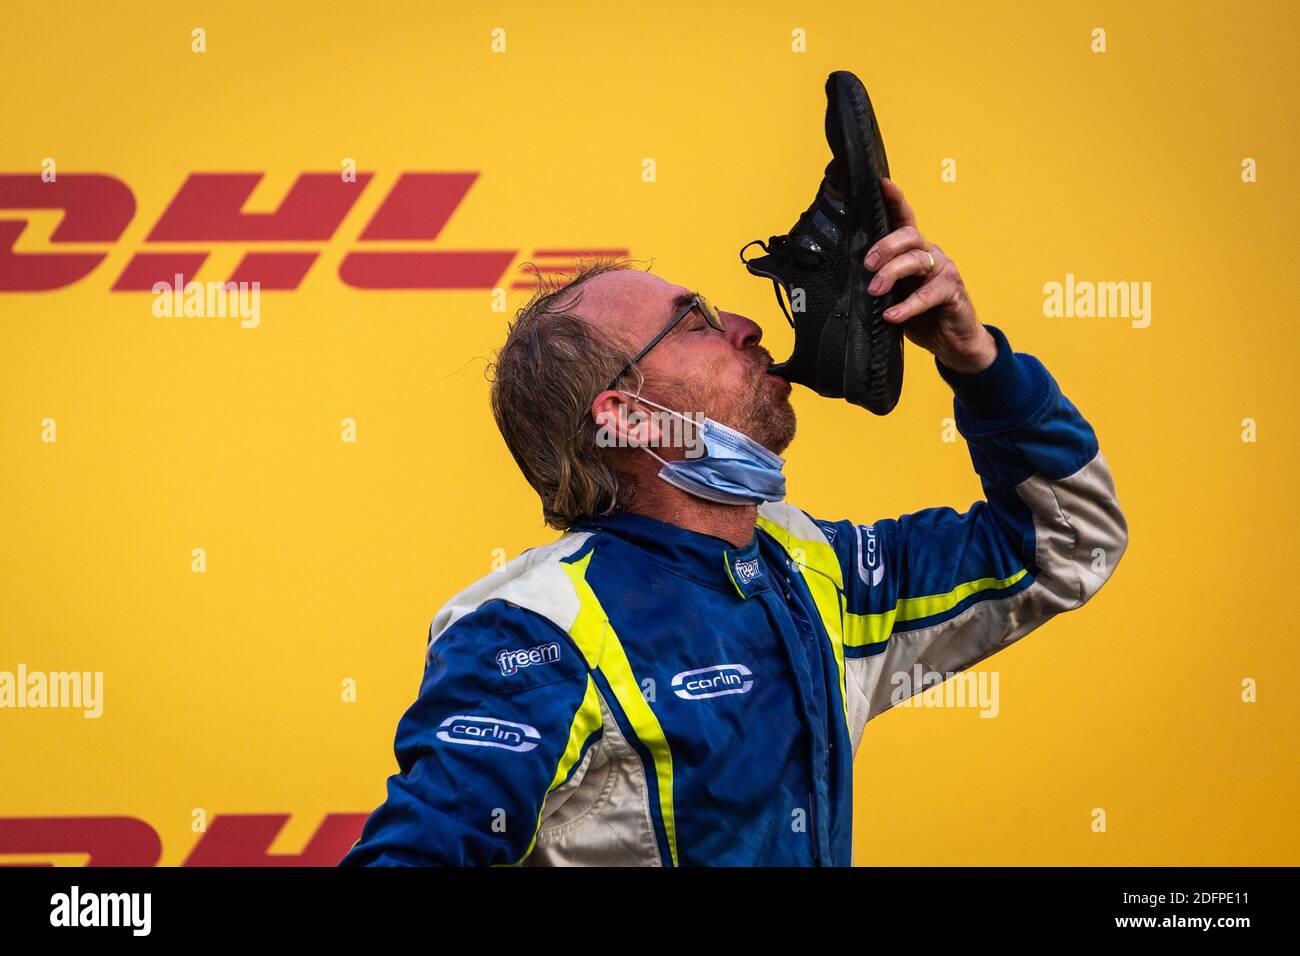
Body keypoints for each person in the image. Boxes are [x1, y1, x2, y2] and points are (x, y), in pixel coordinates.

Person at [340, 179, 1129, 866]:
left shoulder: (821, 568)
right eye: (694, 323)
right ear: (630, 417)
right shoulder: (532, 629)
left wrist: (972, 355)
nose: (747, 325)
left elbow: (1064, 543)